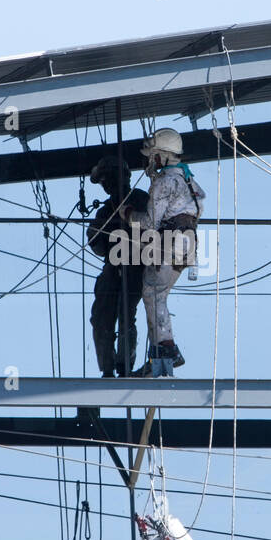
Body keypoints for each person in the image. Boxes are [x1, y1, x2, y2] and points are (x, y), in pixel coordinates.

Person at [135, 127, 205, 377]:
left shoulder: (165, 182)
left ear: (162, 156)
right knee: (158, 293)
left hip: (170, 241)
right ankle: (161, 349)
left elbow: (149, 223)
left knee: (152, 293)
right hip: (188, 243)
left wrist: (128, 215)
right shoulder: (189, 181)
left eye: (153, 156)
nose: (150, 161)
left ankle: (166, 349)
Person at [87, 155, 150, 377]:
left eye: (106, 179)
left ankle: (124, 367)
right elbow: (96, 243)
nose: (105, 185)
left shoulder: (140, 199)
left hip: (135, 264)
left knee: (126, 313)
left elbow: (153, 228)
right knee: (100, 316)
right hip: (113, 266)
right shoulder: (105, 210)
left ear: (120, 177)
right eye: (103, 181)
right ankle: (107, 367)